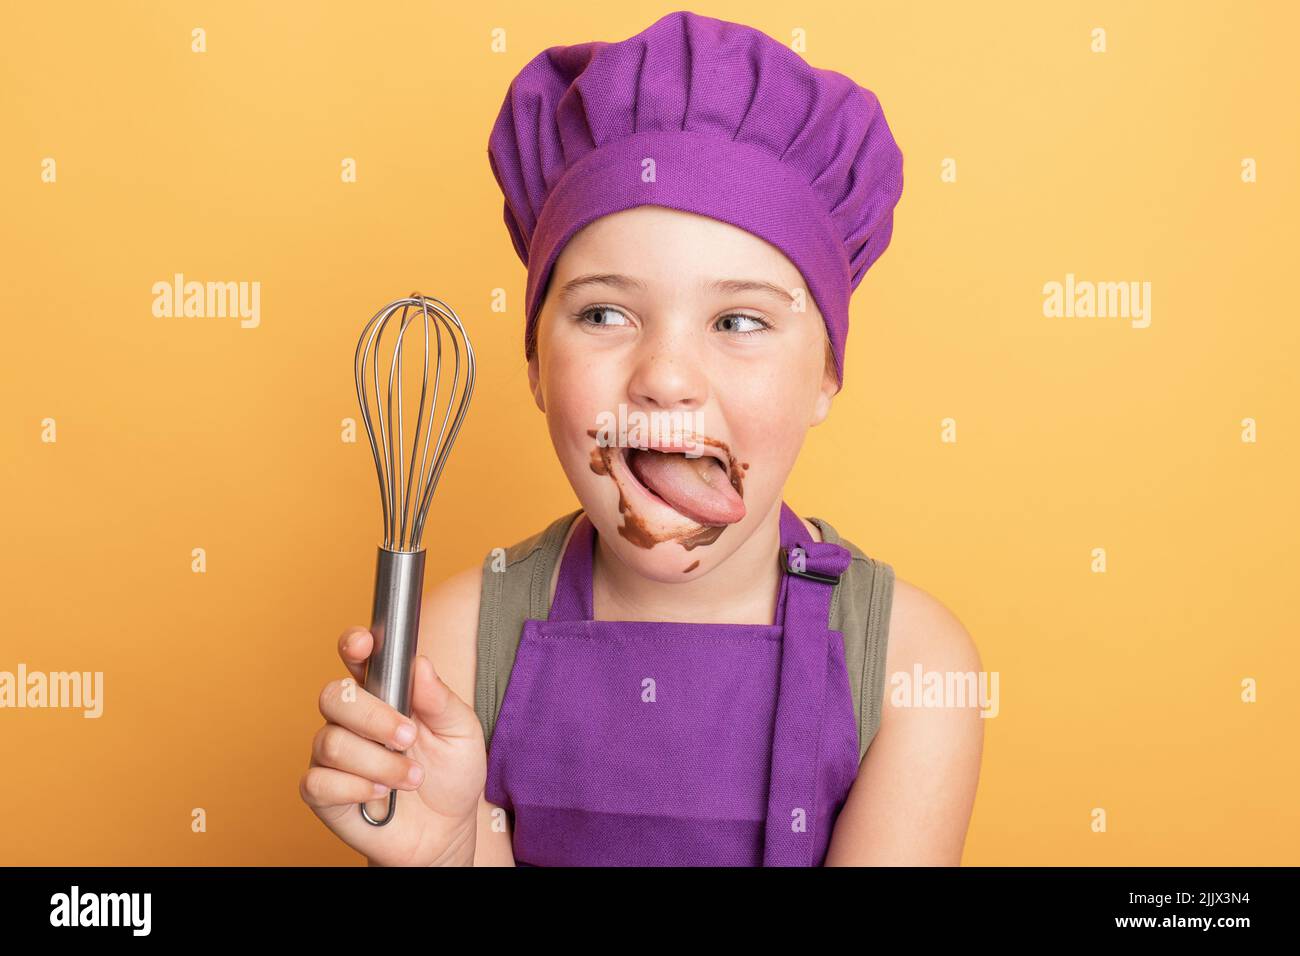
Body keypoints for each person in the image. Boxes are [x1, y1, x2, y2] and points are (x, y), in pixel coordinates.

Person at [301, 10, 982, 866]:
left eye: (738, 320)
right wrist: (451, 855)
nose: (665, 374)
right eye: (604, 313)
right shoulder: (450, 654)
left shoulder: (911, 669)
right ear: (536, 368)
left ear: (826, 377)